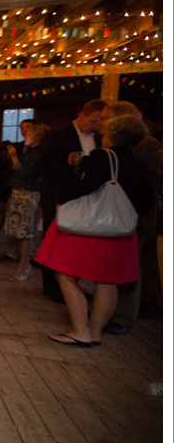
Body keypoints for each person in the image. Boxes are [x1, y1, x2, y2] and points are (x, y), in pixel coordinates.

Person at [34, 115, 153, 347]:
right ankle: (96, 333)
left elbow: (86, 187)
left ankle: (80, 330)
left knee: (65, 275)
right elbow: (146, 199)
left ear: (111, 133)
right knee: (107, 281)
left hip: (90, 229)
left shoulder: (102, 156)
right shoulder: (137, 162)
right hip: (120, 231)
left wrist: (62, 199)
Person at [97, 102, 163, 335]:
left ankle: (123, 315)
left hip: (138, 217)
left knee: (131, 267)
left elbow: (153, 186)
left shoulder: (148, 146)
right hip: (118, 216)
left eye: (104, 118)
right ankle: (107, 311)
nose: (100, 123)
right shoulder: (117, 146)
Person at [38, 99, 106, 302]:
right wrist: (73, 166)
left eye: (99, 122)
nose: (95, 125)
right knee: (54, 240)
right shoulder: (58, 135)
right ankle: (51, 286)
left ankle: (72, 285)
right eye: (94, 120)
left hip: (88, 197)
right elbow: (43, 163)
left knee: (78, 242)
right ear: (84, 114)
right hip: (59, 194)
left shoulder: (100, 138)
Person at [4, 124, 49, 281]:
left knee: (26, 233)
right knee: (19, 232)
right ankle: (23, 266)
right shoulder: (28, 152)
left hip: (28, 195)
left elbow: (24, 173)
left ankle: (23, 267)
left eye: (28, 133)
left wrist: (15, 157)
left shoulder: (39, 153)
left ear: (37, 137)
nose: (25, 136)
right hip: (19, 193)